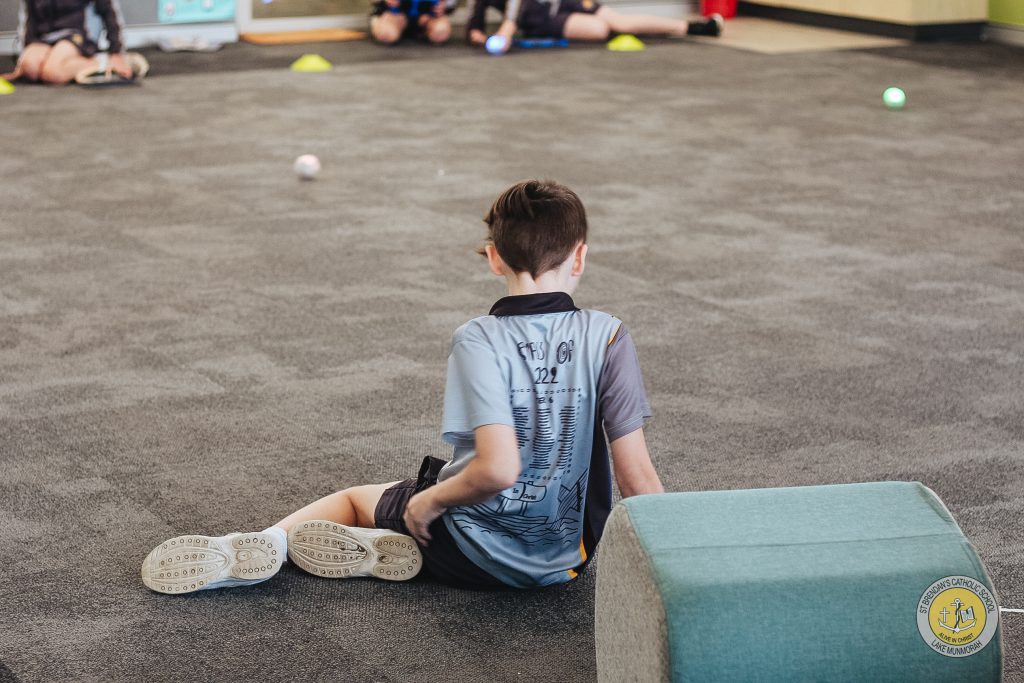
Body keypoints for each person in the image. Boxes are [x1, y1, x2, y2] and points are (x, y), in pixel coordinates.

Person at [141, 179, 663, 594]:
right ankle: (388, 553)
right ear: (580, 257)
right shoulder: (609, 336)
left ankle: (265, 543)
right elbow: (636, 479)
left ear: (494, 257)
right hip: (559, 566)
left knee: (354, 498)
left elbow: (498, 469)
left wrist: (430, 503)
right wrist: (679, 566)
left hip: (466, 547)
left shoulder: (480, 338)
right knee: (436, 501)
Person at [466, 0, 723, 53]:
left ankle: (694, 27)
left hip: (562, 2)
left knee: (619, 21)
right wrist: (486, 40)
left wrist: (508, 26)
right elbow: (474, 28)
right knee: (601, 29)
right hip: (541, 19)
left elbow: (512, 12)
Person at [2, 0, 147, 85]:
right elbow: (28, 18)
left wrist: (117, 52)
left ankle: (105, 62)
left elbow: (109, 11)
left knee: (53, 73)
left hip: (77, 34)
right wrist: (24, 58)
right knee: (30, 67)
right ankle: (62, 63)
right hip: (44, 37)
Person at [370, 0, 458, 45]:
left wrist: (444, 6)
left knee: (440, 33)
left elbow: (450, 5)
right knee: (387, 34)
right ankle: (377, 21)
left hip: (428, 16)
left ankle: (422, 32)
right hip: (396, 14)